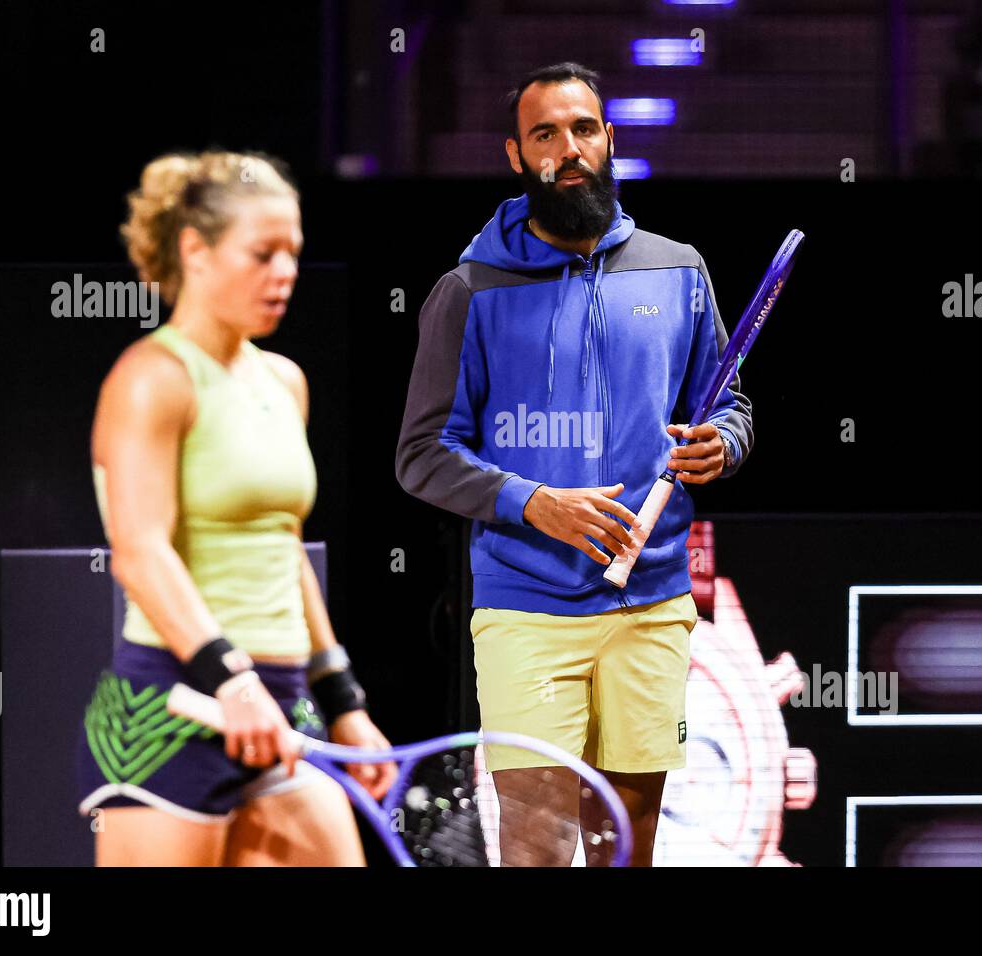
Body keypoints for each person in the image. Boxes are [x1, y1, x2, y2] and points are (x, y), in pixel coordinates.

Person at [395, 63, 753, 866]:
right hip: (525, 611)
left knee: (628, 845)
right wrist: (535, 503)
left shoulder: (680, 269)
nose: (569, 150)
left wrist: (722, 444)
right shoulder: (470, 288)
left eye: (583, 129)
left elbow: (728, 406)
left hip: (652, 605)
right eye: (545, 135)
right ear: (516, 157)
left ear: (610, 140)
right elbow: (420, 456)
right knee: (537, 849)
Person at [78, 150, 395, 866]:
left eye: (294, 253)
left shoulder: (285, 382)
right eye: (263, 253)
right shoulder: (150, 378)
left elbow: (285, 547)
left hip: (280, 705)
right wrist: (233, 679)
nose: (285, 273)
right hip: (174, 707)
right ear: (195, 250)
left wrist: (343, 699)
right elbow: (140, 551)